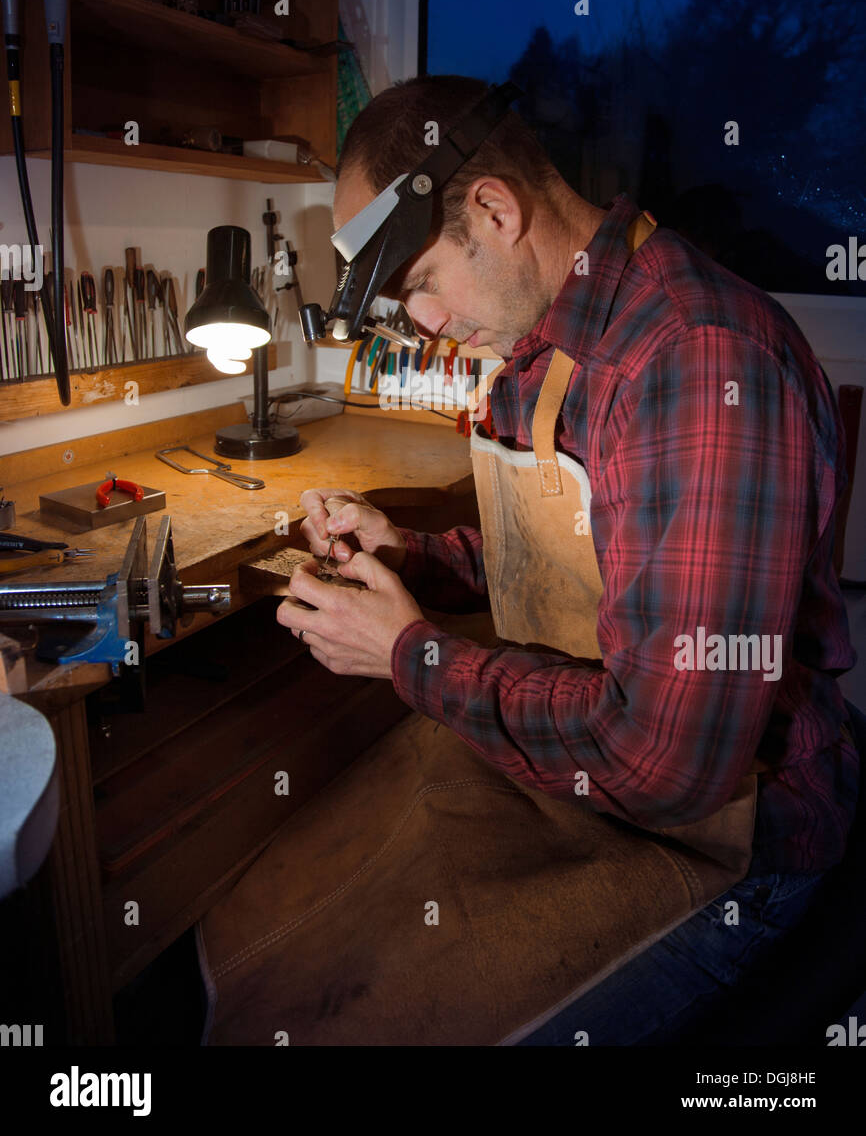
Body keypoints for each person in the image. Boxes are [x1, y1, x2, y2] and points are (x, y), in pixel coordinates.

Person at [206, 75, 860, 1045]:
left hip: (732, 834)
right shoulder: (555, 336)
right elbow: (574, 549)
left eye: (419, 282)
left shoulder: (693, 363)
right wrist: (416, 557)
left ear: (492, 208)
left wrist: (410, 654)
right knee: (271, 941)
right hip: (605, 774)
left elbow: (668, 762)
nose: (420, 323)